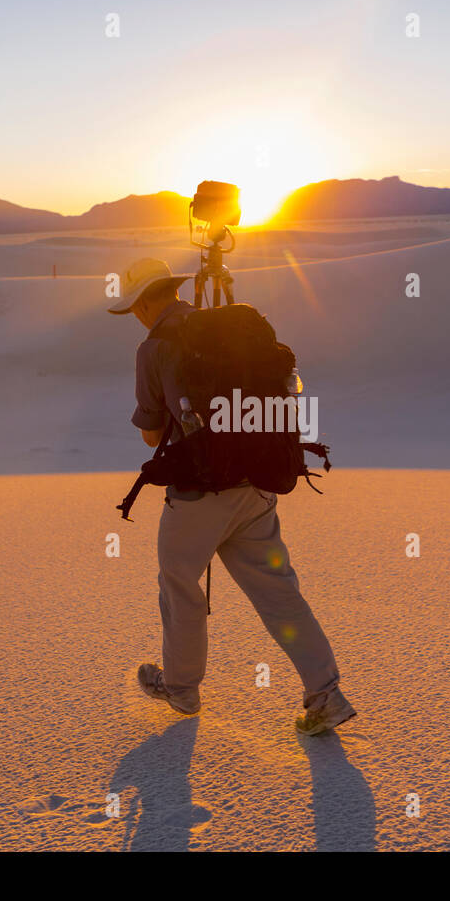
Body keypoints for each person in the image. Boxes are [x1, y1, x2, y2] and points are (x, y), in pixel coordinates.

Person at [109, 257, 355, 735]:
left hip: (201, 494)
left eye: (135, 306)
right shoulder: (224, 328)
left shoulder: (154, 346)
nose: (135, 315)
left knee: (180, 584)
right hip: (258, 481)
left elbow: (151, 433)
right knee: (280, 593)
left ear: (144, 302)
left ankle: (181, 688)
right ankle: (326, 693)